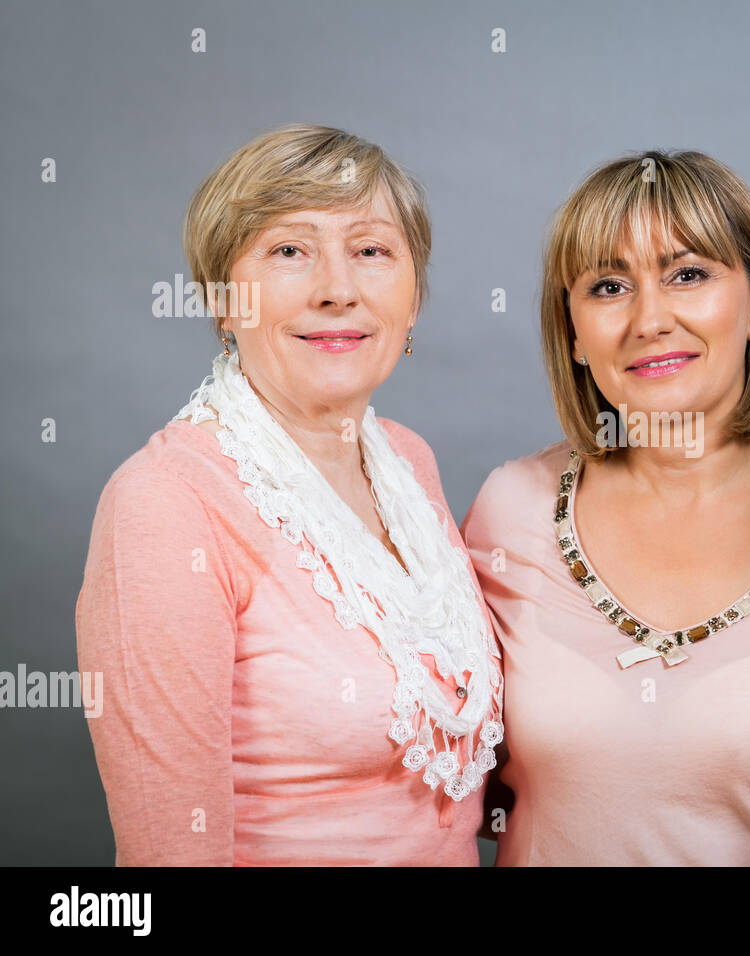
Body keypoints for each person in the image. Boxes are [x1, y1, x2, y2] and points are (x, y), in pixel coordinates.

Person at [461, 150, 750, 865]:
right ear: (575, 334)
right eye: (609, 286)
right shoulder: (509, 508)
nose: (651, 318)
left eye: (689, 274)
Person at [76, 124, 503, 865]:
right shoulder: (164, 505)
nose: (338, 289)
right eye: (289, 251)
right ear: (222, 299)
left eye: (371, 251)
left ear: (414, 297)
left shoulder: (408, 461)